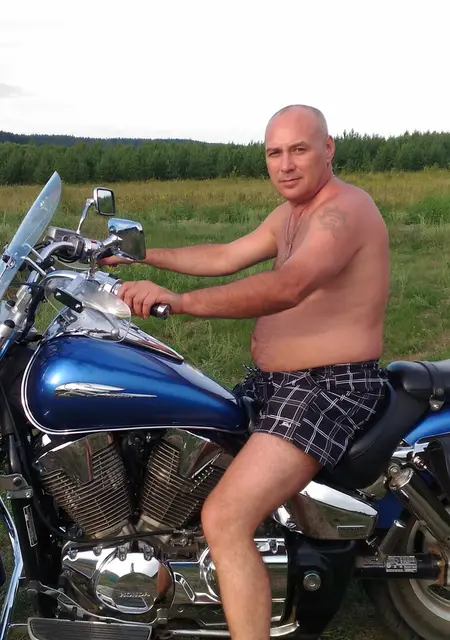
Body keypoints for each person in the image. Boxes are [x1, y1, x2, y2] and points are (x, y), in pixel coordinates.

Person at [100, 104, 390, 640]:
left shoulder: (343, 210)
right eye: (274, 153)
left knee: (226, 517)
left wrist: (180, 302)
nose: (286, 164)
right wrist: (140, 257)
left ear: (328, 148)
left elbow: (290, 286)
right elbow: (226, 255)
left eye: (299, 149)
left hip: (327, 386)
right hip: (279, 385)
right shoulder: (292, 214)